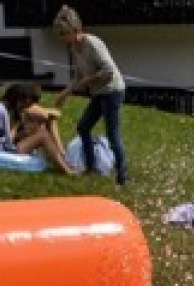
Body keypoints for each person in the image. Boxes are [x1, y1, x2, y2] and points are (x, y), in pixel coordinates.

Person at [52, 5, 128, 185]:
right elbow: (78, 77)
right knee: (83, 127)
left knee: (112, 134)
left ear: (74, 29)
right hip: (98, 92)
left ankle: (122, 175)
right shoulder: (74, 49)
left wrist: (89, 80)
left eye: (64, 34)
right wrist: (65, 93)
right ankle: (91, 167)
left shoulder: (92, 43)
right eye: (60, 35)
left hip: (112, 90)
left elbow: (108, 70)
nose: (62, 39)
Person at [0, 82, 74, 174]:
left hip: (1, 145)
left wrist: (22, 134)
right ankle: (67, 170)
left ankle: (62, 159)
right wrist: (21, 134)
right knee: (43, 136)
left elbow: (4, 136)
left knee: (40, 130)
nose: (24, 107)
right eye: (23, 103)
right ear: (15, 99)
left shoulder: (4, 109)